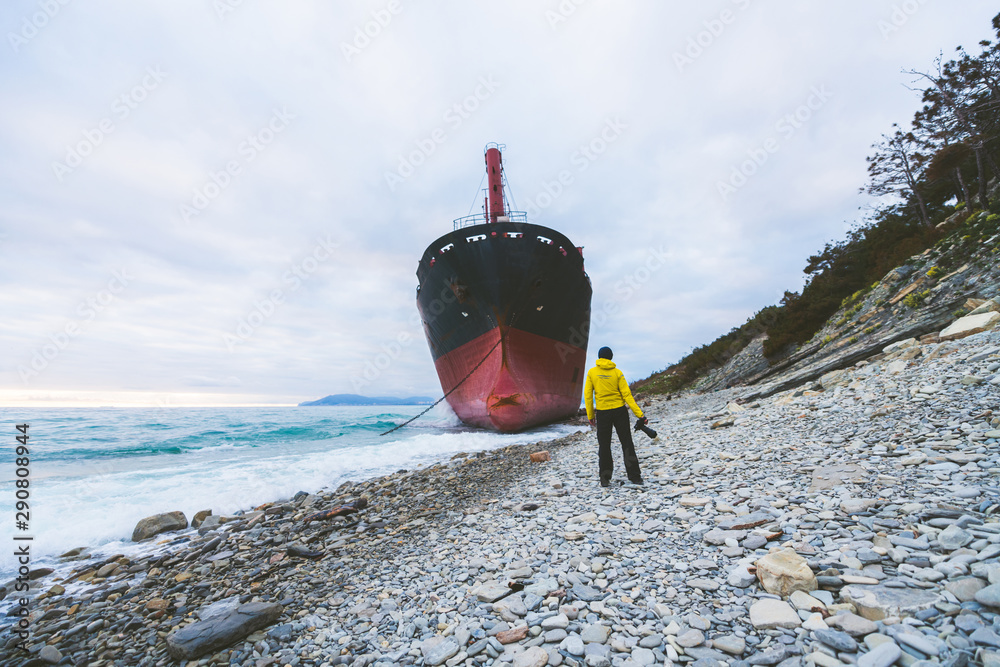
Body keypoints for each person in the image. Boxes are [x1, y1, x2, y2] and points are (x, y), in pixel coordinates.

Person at [584, 346, 646, 487]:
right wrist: (640, 415)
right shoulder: (618, 373)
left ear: (599, 357)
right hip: (620, 412)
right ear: (611, 357)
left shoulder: (592, 373)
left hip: (603, 412)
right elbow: (627, 396)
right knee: (627, 443)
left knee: (604, 446)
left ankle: (605, 479)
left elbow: (588, 395)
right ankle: (635, 477)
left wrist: (590, 415)